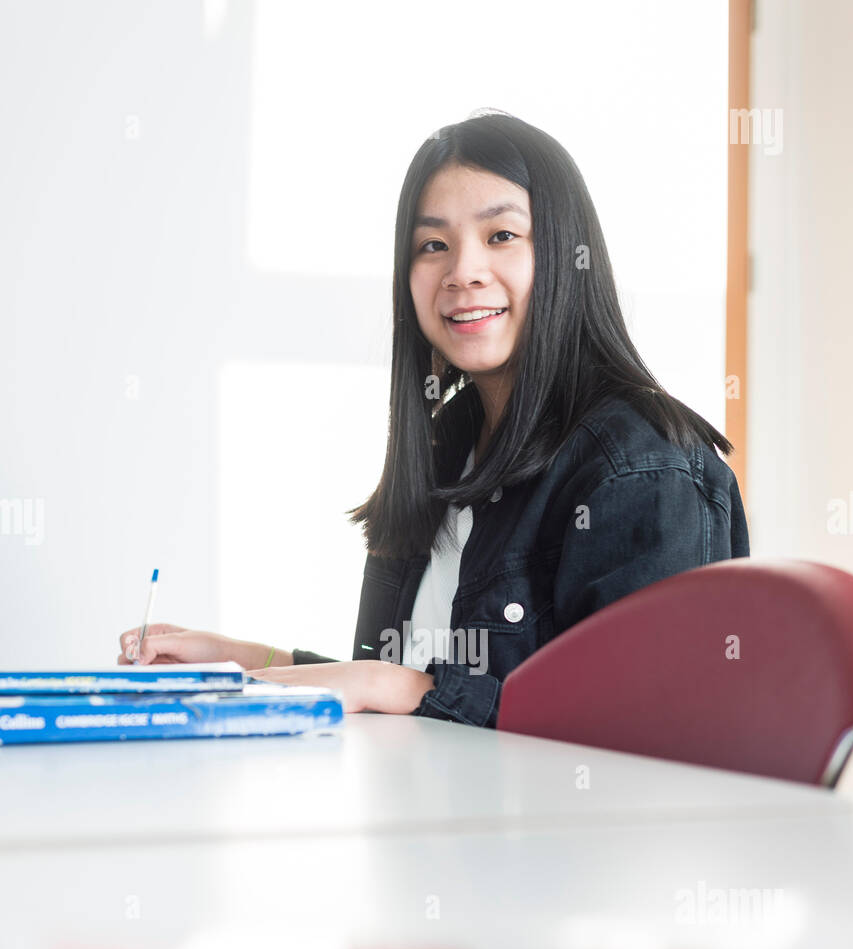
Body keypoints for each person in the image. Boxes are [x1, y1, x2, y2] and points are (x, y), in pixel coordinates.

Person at [119, 112, 748, 728]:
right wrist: (240, 662)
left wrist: (388, 683)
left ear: (565, 255)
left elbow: (640, 731)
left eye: (501, 235)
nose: (462, 272)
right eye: (433, 245)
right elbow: (411, 679)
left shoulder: (641, 465)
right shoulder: (448, 443)